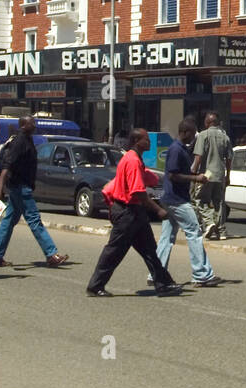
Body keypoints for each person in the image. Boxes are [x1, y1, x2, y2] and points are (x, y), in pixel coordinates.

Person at [86, 130, 181, 297]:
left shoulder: (135, 158)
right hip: (126, 212)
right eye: (146, 139)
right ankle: (95, 286)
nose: (149, 142)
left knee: (150, 250)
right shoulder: (132, 160)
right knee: (114, 251)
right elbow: (138, 192)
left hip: (135, 212)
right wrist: (158, 209)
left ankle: (163, 283)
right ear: (137, 141)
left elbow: (144, 178)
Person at [0, 116, 68, 269]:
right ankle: (51, 254)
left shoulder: (27, 139)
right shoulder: (19, 141)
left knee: (9, 220)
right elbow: (7, 166)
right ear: (24, 125)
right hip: (20, 187)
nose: (34, 125)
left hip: (21, 186)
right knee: (34, 220)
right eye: (32, 122)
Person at [154, 118, 220, 287]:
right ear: (185, 132)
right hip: (177, 200)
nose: (194, 136)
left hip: (172, 198)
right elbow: (173, 175)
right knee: (194, 232)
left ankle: (156, 272)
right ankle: (202, 274)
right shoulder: (176, 149)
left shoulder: (182, 149)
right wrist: (196, 178)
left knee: (167, 237)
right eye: (192, 133)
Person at [190, 111, 232, 239]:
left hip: (206, 174)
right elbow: (229, 158)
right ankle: (221, 230)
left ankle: (209, 223)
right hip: (220, 174)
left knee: (200, 200)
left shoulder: (203, 135)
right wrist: (228, 175)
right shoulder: (225, 137)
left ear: (207, 122)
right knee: (219, 203)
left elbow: (198, 157)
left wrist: (192, 174)